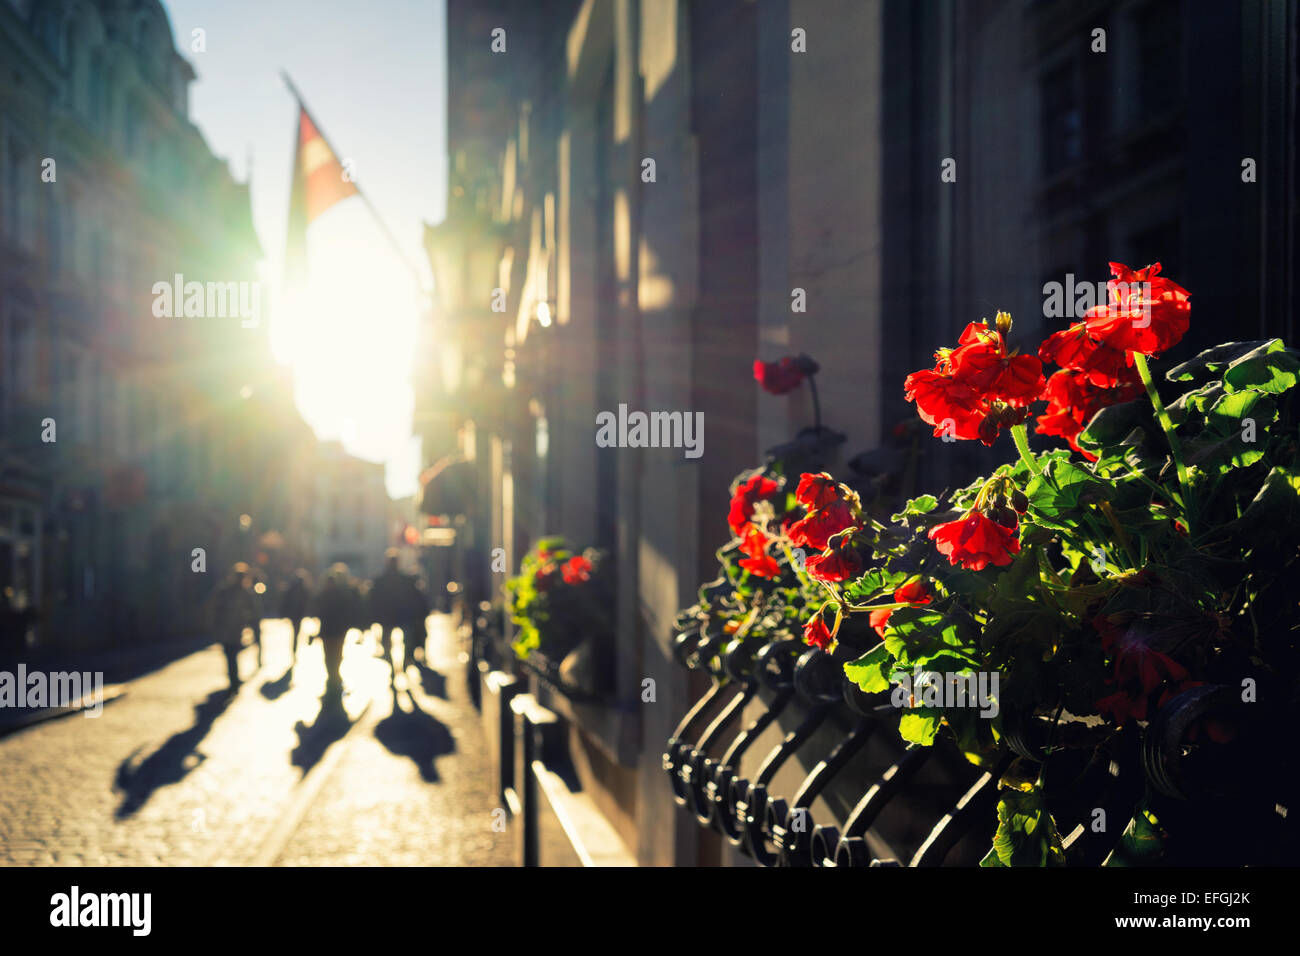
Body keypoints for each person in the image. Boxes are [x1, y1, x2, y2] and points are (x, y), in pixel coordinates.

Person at [313, 564, 359, 703]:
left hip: (337, 630)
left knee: (337, 655)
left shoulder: (340, 595)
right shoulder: (324, 596)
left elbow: (348, 611)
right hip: (328, 631)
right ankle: (332, 677)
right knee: (328, 656)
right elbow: (317, 611)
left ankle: (335, 677)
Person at [211, 564, 257, 692]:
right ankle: (234, 679)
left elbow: (252, 611)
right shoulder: (231, 592)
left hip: (233, 630)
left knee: (231, 655)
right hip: (232, 630)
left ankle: (234, 679)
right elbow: (217, 610)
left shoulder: (232, 591)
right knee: (232, 655)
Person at [280, 570, 312, 665]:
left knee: (295, 634)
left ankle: (294, 651)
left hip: (295, 615)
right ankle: (294, 651)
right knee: (296, 634)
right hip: (297, 615)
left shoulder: (293, 589)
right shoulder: (302, 589)